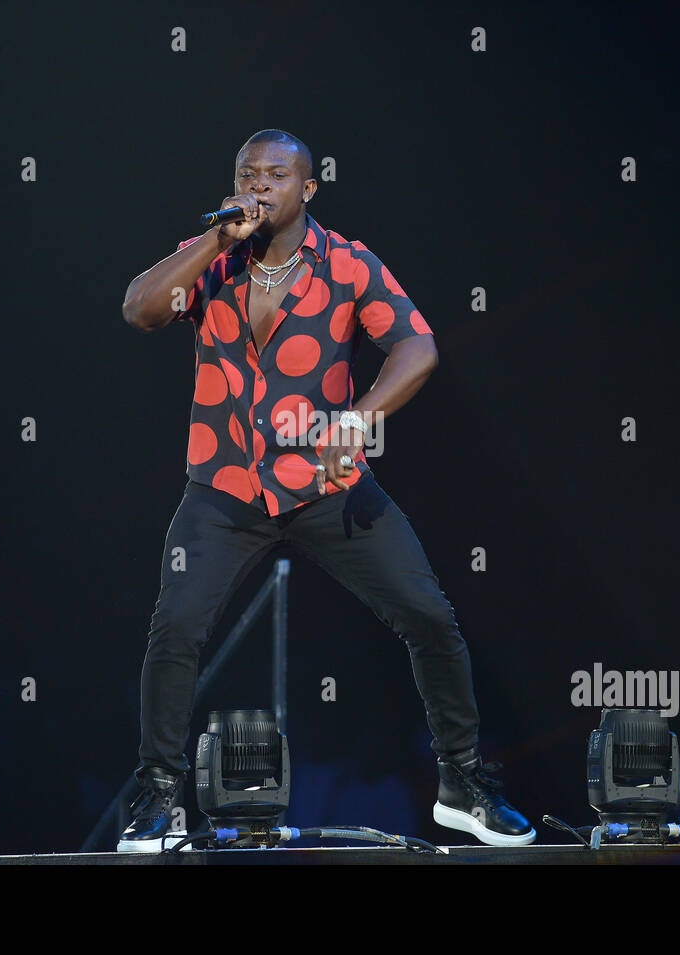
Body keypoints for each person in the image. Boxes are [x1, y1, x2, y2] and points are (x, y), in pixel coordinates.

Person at [117, 129, 534, 850]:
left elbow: (417, 346)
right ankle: (159, 797)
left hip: (326, 484)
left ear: (308, 189)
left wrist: (360, 418)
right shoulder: (213, 258)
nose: (259, 185)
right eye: (248, 174)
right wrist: (214, 240)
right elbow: (140, 309)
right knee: (176, 626)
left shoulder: (346, 264)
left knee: (429, 615)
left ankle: (463, 784)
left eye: (276, 175)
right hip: (225, 486)